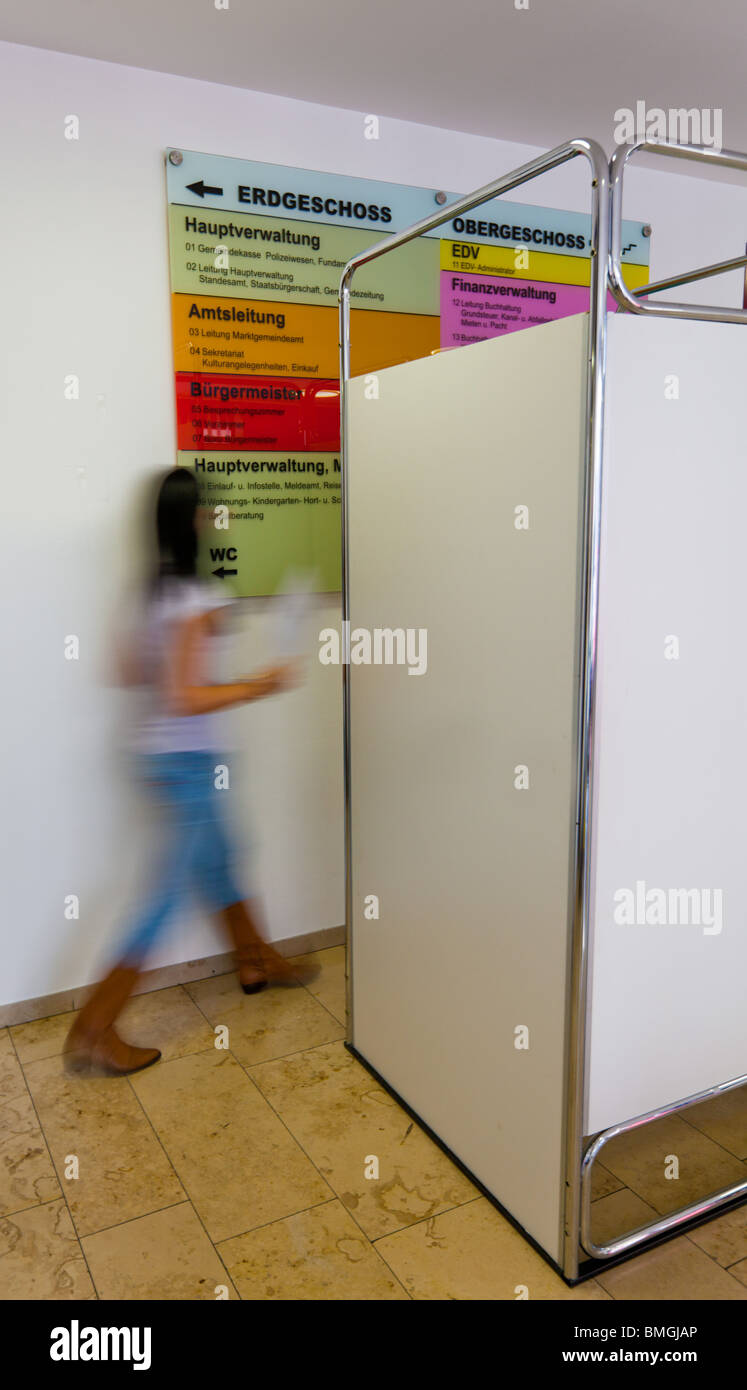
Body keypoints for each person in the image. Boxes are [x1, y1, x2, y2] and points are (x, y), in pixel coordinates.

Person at [65, 467, 314, 1076]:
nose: (212, 519)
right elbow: (184, 696)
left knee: (224, 856)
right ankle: (93, 1028)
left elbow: (125, 670)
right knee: (165, 894)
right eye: (206, 511)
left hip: (157, 756)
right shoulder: (195, 599)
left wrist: (181, 656)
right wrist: (259, 683)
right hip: (188, 763)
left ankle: (257, 960)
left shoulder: (150, 595)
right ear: (191, 520)